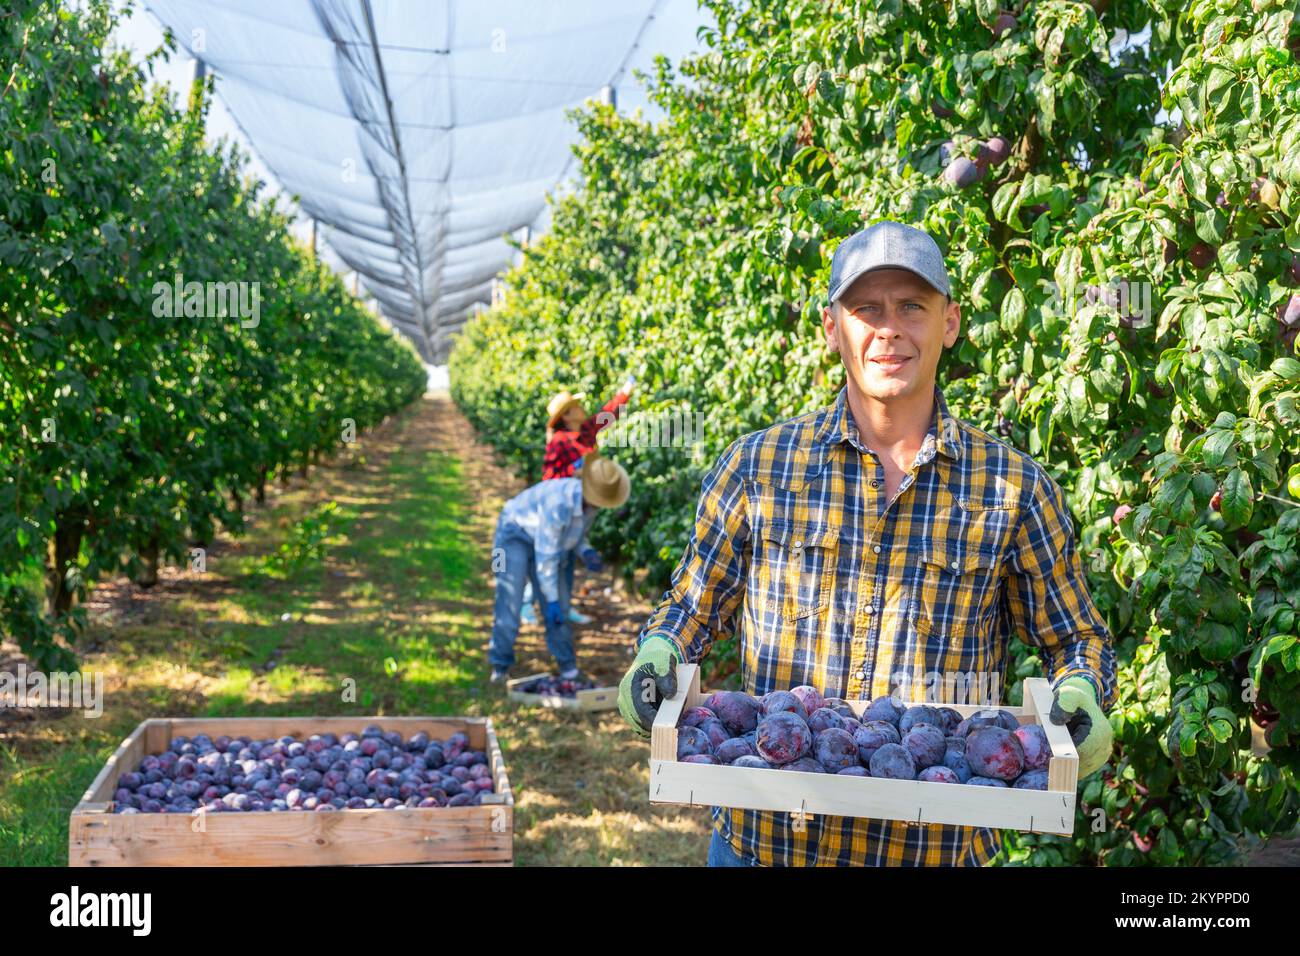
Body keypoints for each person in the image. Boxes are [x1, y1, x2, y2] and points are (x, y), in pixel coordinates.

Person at [617, 220, 1117, 867]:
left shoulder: (1014, 488)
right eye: (866, 308)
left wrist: (1080, 693)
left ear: (951, 322)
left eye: (913, 306)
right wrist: (658, 651)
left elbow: (1075, 636)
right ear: (832, 327)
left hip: (931, 848)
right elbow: (693, 606)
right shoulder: (757, 468)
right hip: (769, 844)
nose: (889, 329)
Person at [489, 452, 630, 683]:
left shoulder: (590, 506)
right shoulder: (559, 504)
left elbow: (571, 538)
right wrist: (550, 600)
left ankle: (568, 667)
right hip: (511, 533)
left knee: (561, 610)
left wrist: (585, 551)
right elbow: (546, 558)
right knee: (509, 596)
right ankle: (500, 663)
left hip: (546, 543)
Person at [521, 376, 637, 626]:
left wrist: (625, 392)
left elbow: (609, 414)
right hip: (564, 508)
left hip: (585, 505)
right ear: (567, 416)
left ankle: (564, 605)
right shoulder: (560, 442)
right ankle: (526, 603)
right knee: (551, 552)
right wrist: (573, 475)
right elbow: (549, 480)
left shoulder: (585, 432)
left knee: (568, 555)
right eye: (577, 406)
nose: (583, 408)